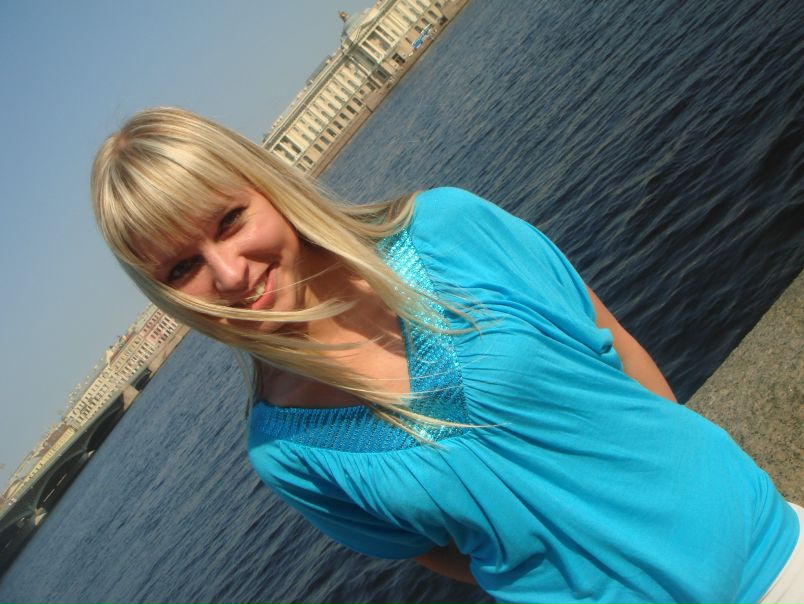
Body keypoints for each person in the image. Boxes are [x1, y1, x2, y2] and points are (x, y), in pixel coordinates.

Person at [91, 107, 801, 604]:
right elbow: (436, 550)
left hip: (768, 556)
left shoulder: (447, 229)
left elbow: (610, 341)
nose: (229, 274)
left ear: (267, 189)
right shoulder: (285, 452)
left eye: (228, 220)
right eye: (182, 267)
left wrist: (701, 503)